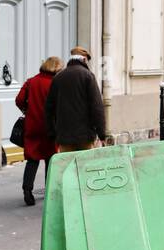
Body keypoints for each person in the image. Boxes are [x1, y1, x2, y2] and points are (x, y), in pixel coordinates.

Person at [16, 56, 62, 207]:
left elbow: (19, 100)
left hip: (33, 124)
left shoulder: (31, 81)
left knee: (33, 159)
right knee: (51, 159)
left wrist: (27, 110)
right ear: (55, 68)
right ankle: (50, 191)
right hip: (50, 126)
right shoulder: (55, 83)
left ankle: (27, 191)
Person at [45, 46, 107, 154]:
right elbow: (97, 107)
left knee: (68, 168)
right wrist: (101, 134)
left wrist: (52, 134)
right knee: (85, 167)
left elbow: (49, 108)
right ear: (83, 59)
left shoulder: (58, 77)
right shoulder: (88, 76)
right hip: (85, 137)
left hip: (64, 137)